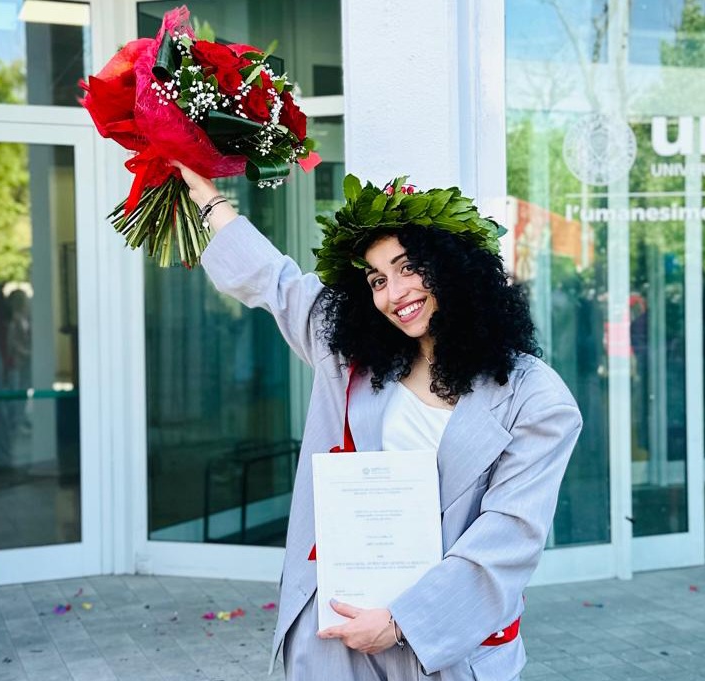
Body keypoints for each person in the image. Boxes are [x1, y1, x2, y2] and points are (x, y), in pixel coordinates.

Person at [175, 163, 583, 681]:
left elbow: (510, 536)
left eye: (410, 267)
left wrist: (400, 622)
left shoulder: (537, 398)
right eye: (377, 279)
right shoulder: (352, 355)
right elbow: (276, 283)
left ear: (456, 267)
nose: (396, 293)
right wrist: (209, 197)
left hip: (448, 646)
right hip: (339, 634)